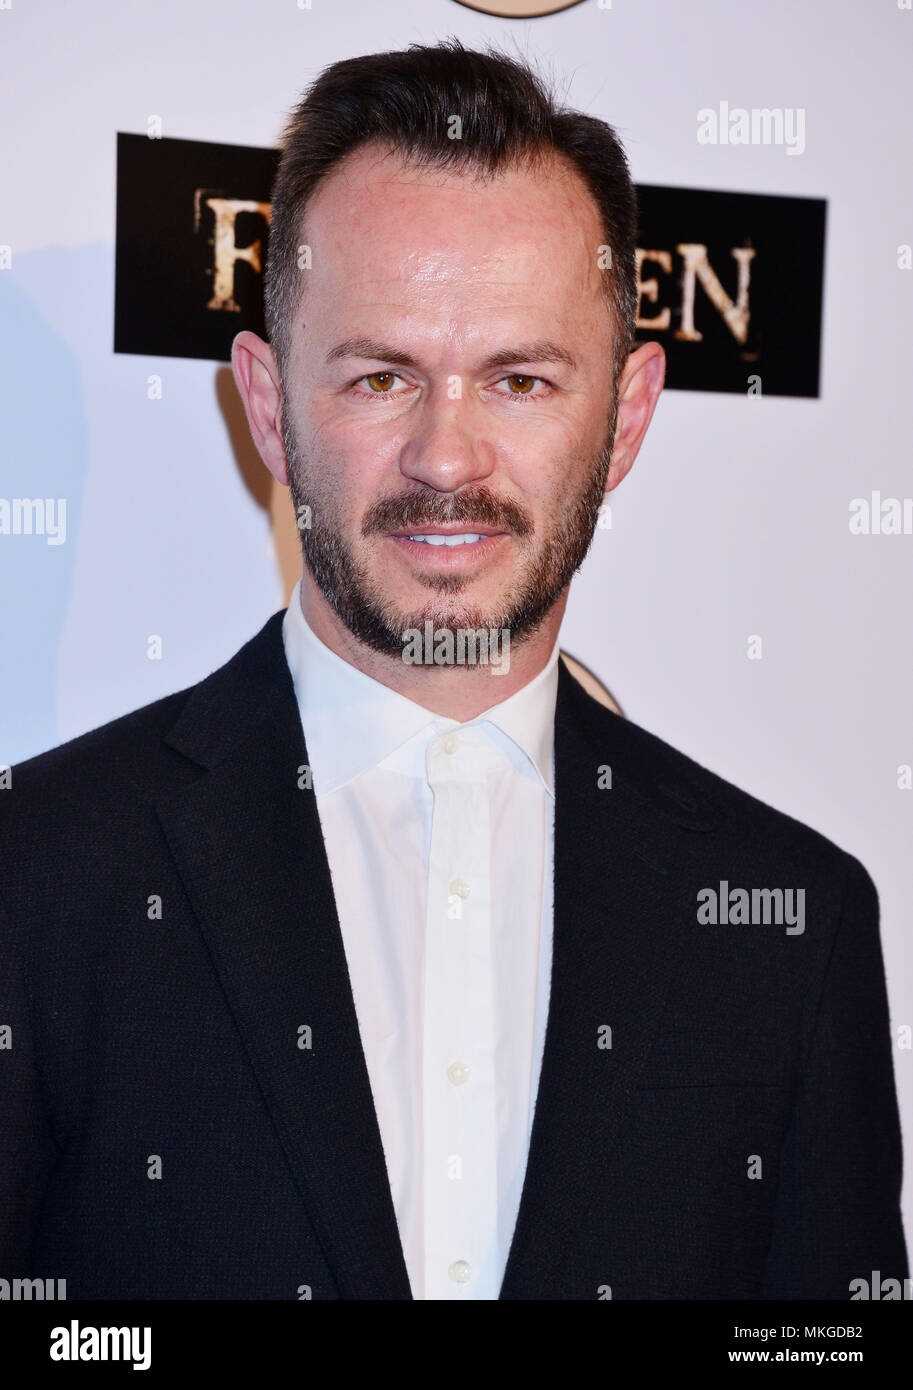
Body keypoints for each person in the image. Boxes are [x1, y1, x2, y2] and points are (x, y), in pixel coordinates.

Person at [0, 39, 905, 1301]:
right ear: (267, 407)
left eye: (520, 379)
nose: (446, 455)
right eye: (381, 376)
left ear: (627, 416)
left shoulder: (790, 919)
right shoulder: (35, 877)